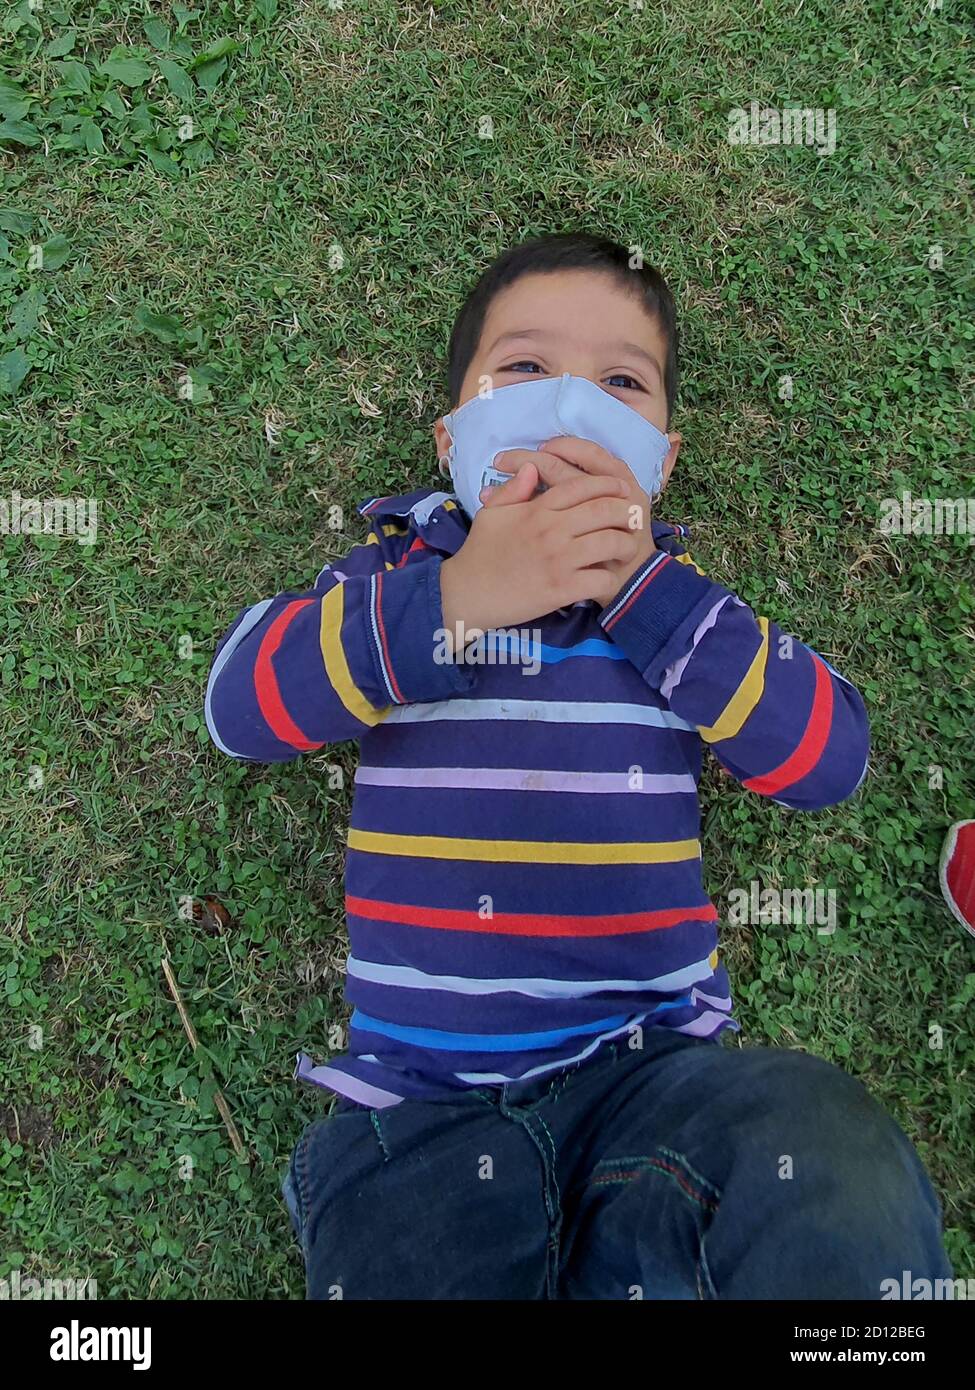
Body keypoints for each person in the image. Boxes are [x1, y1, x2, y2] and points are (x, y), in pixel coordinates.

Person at [205, 232, 952, 1299]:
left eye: (617, 383)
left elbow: (830, 758)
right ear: (452, 430)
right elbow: (237, 703)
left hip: (654, 1083)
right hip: (421, 1111)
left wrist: (644, 589)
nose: (566, 408)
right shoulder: (397, 574)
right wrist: (460, 599)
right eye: (524, 368)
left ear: (662, 456)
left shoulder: (683, 614)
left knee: (830, 1164)